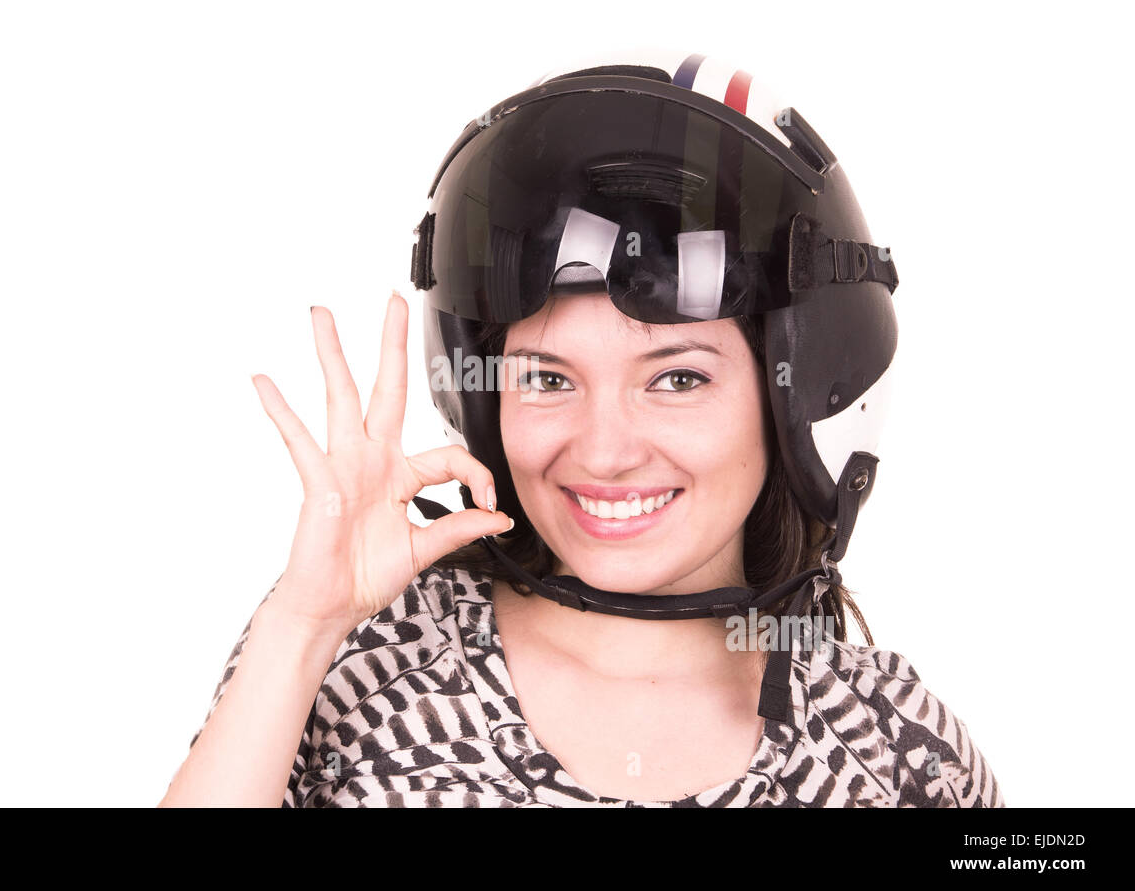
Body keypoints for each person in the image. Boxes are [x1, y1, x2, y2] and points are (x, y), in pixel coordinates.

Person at [159, 49, 1004, 808]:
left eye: (677, 378)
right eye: (547, 378)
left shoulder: (896, 750)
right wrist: (301, 625)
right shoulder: (358, 660)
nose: (603, 451)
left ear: (796, 394)